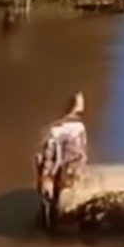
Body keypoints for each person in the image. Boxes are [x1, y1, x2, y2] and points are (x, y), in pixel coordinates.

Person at [35, 91, 88, 228]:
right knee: (56, 192)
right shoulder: (74, 129)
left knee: (53, 193)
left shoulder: (58, 130)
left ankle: (50, 218)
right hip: (63, 162)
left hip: (61, 162)